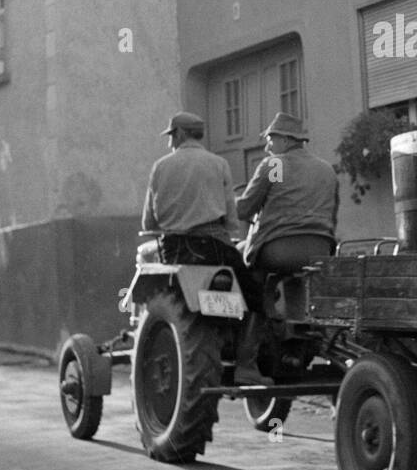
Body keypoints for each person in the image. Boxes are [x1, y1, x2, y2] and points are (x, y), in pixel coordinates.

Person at [141, 110, 270, 390]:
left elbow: (148, 221)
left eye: (171, 136)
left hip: (176, 251)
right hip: (215, 248)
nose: (169, 142)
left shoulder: (161, 167)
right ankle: (246, 365)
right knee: (255, 298)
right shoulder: (219, 164)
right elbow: (231, 217)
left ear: (179, 134)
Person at [235, 113, 339, 356]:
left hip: (278, 249)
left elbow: (246, 209)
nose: (268, 145)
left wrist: (230, 204)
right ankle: (300, 337)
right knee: (299, 279)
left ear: (285, 139)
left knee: (250, 282)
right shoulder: (325, 170)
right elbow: (330, 215)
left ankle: (246, 360)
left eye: (271, 138)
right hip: (319, 249)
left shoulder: (277, 166)